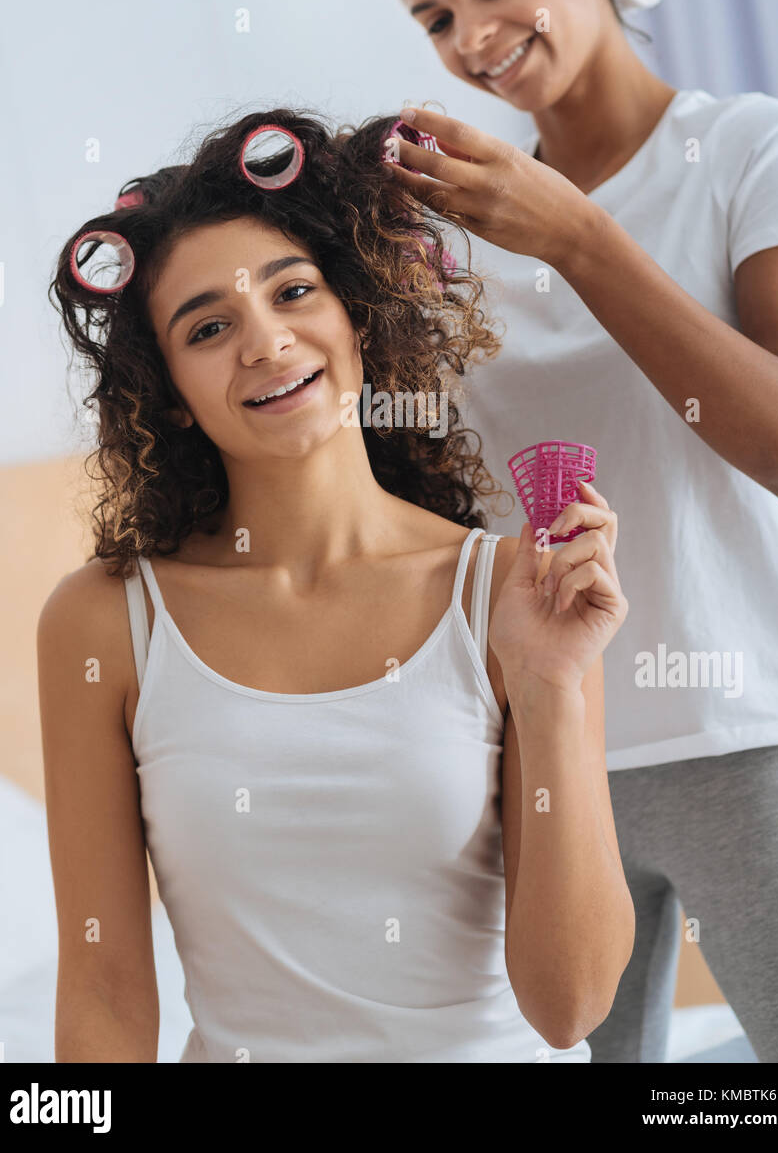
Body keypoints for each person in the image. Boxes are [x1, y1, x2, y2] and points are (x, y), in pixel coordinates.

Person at [348, 0, 778, 1063]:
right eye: (432, 14)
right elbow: (436, 506)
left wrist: (576, 238)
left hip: (757, 724)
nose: (468, 37)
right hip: (556, 744)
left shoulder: (757, 154)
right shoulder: (458, 225)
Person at [37, 106, 632, 1063]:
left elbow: (570, 1009)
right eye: (209, 327)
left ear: (355, 313)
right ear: (171, 398)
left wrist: (551, 685)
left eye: (294, 291)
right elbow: (102, 989)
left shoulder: (513, 592)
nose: (266, 343)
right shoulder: (106, 621)